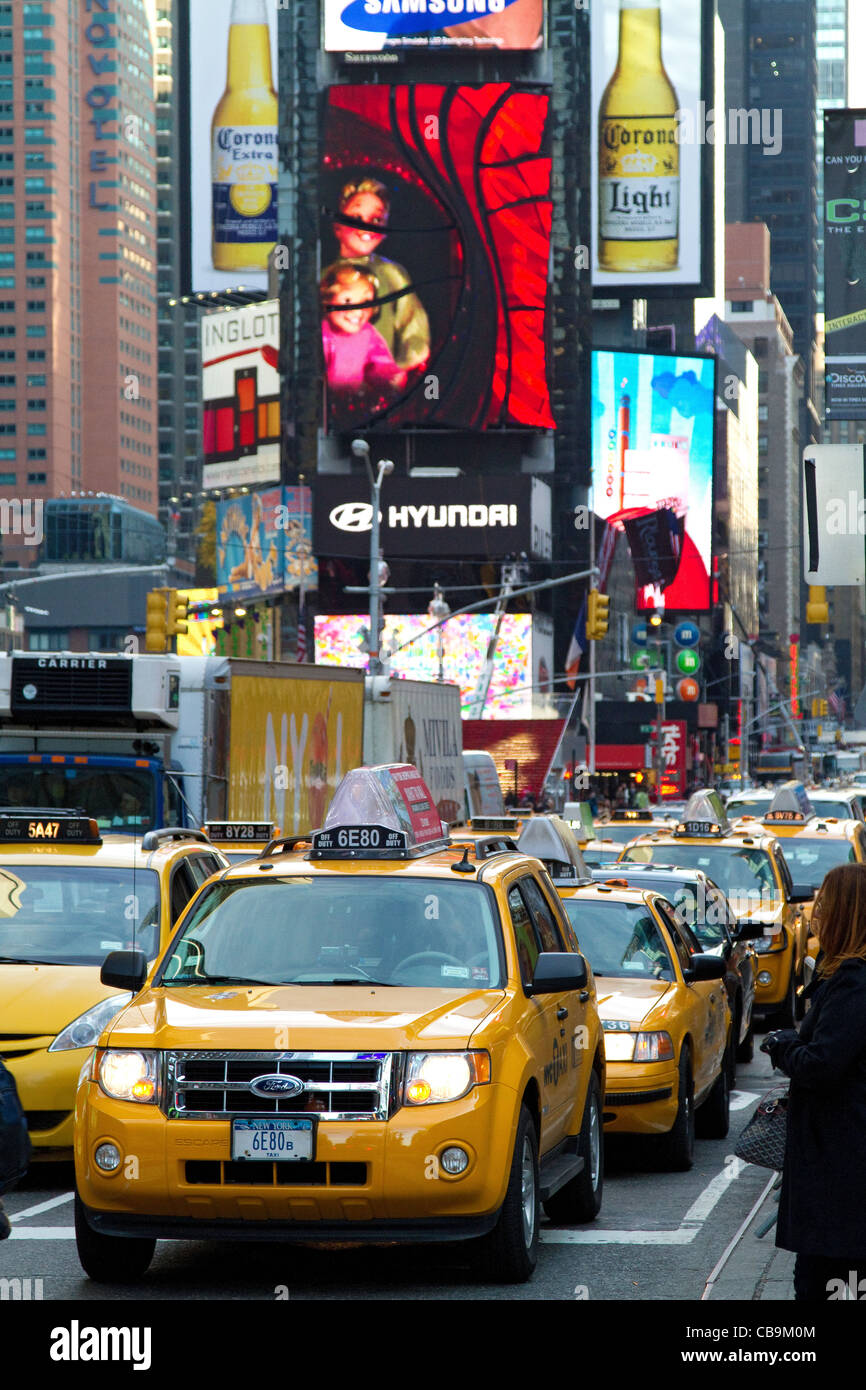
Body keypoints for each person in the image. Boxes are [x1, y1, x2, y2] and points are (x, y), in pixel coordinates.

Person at [762, 862, 866, 1301]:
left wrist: (783, 1044)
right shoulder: (840, 975)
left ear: (846, 913)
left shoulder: (855, 982)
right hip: (839, 1166)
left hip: (842, 1171)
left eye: (825, 904)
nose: (817, 913)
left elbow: (823, 1063)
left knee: (824, 1282)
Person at [330, 178, 430, 371]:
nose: (366, 226)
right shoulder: (323, 275)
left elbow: (416, 336)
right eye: (356, 218)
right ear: (337, 226)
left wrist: (393, 372)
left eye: (376, 219)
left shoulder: (392, 274)